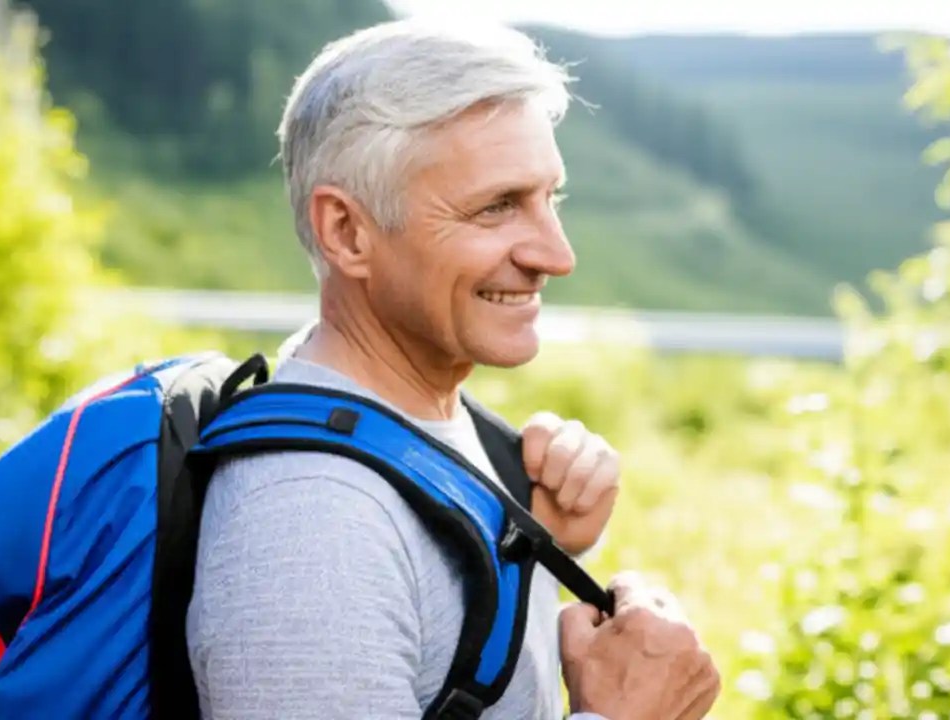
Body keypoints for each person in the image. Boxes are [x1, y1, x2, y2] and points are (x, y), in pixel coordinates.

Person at [185, 18, 721, 720]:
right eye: (497, 207)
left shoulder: (409, 427)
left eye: (549, 198)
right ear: (347, 231)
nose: (557, 255)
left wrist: (532, 543)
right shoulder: (311, 529)